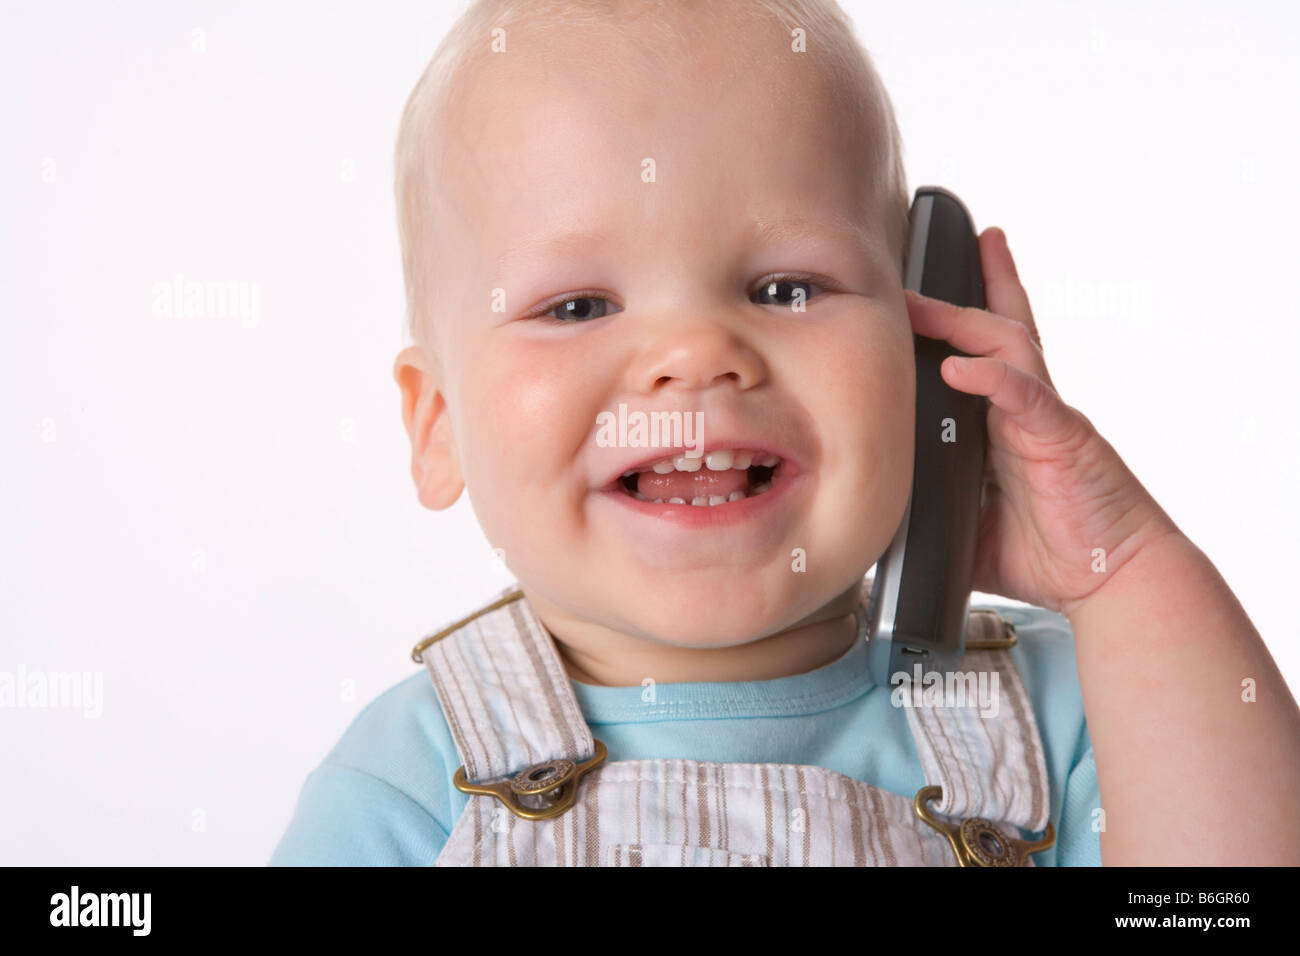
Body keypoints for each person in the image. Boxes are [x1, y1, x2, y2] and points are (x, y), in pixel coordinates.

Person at [270, 0, 1300, 866]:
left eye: (785, 286)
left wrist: (1115, 569)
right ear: (439, 425)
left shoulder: (1071, 719)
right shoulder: (409, 788)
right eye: (578, 306)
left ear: (920, 354)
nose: (695, 353)